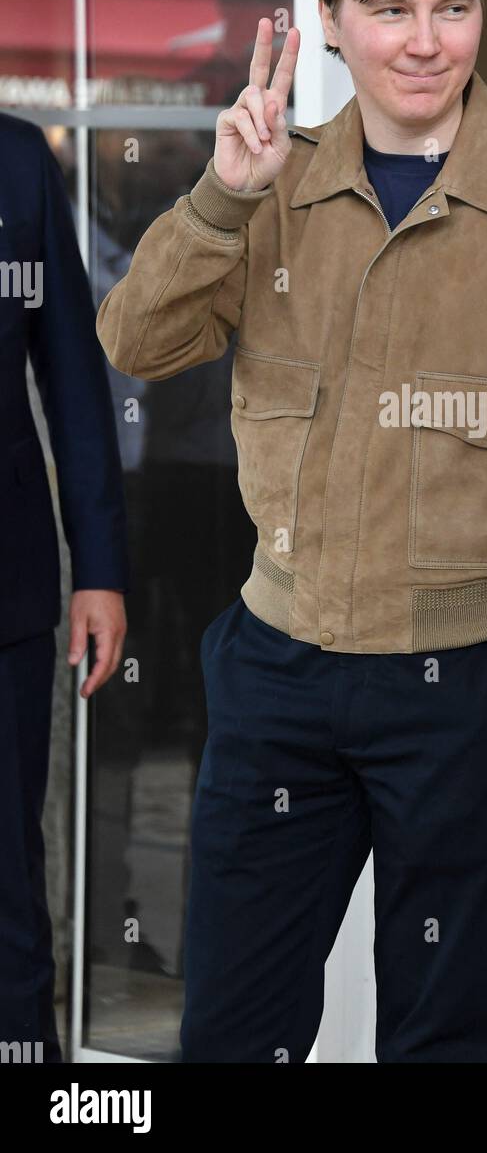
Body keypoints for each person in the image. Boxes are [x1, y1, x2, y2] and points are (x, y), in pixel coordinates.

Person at [96, 0, 487, 1063]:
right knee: (233, 1030)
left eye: (451, 8)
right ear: (329, 18)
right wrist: (220, 198)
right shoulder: (270, 190)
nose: (424, 41)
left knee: (434, 1037)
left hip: (463, 691)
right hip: (277, 678)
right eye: (392, 7)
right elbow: (135, 345)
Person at [0, 113, 129, 1062]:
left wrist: (101, 571)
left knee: (8, 896)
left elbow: (76, 378)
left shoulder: (15, 162)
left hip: (5, 599)